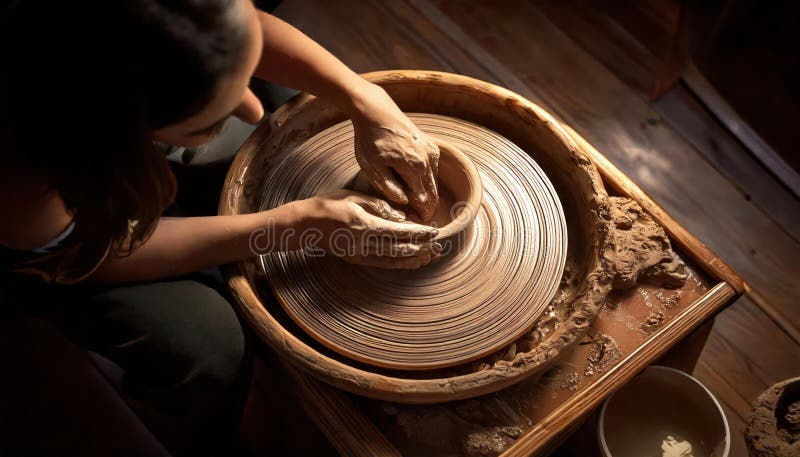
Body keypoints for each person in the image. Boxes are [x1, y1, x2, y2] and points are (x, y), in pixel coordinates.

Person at [0, 0, 440, 455]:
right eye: (206, 119)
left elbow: (234, 28)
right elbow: (99, 254)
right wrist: (295, 224)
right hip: (57, 252)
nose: (251, 110)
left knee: (256, 126)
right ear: (116, 131)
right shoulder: (18, 173)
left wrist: (364, 97)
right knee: (206, 341)